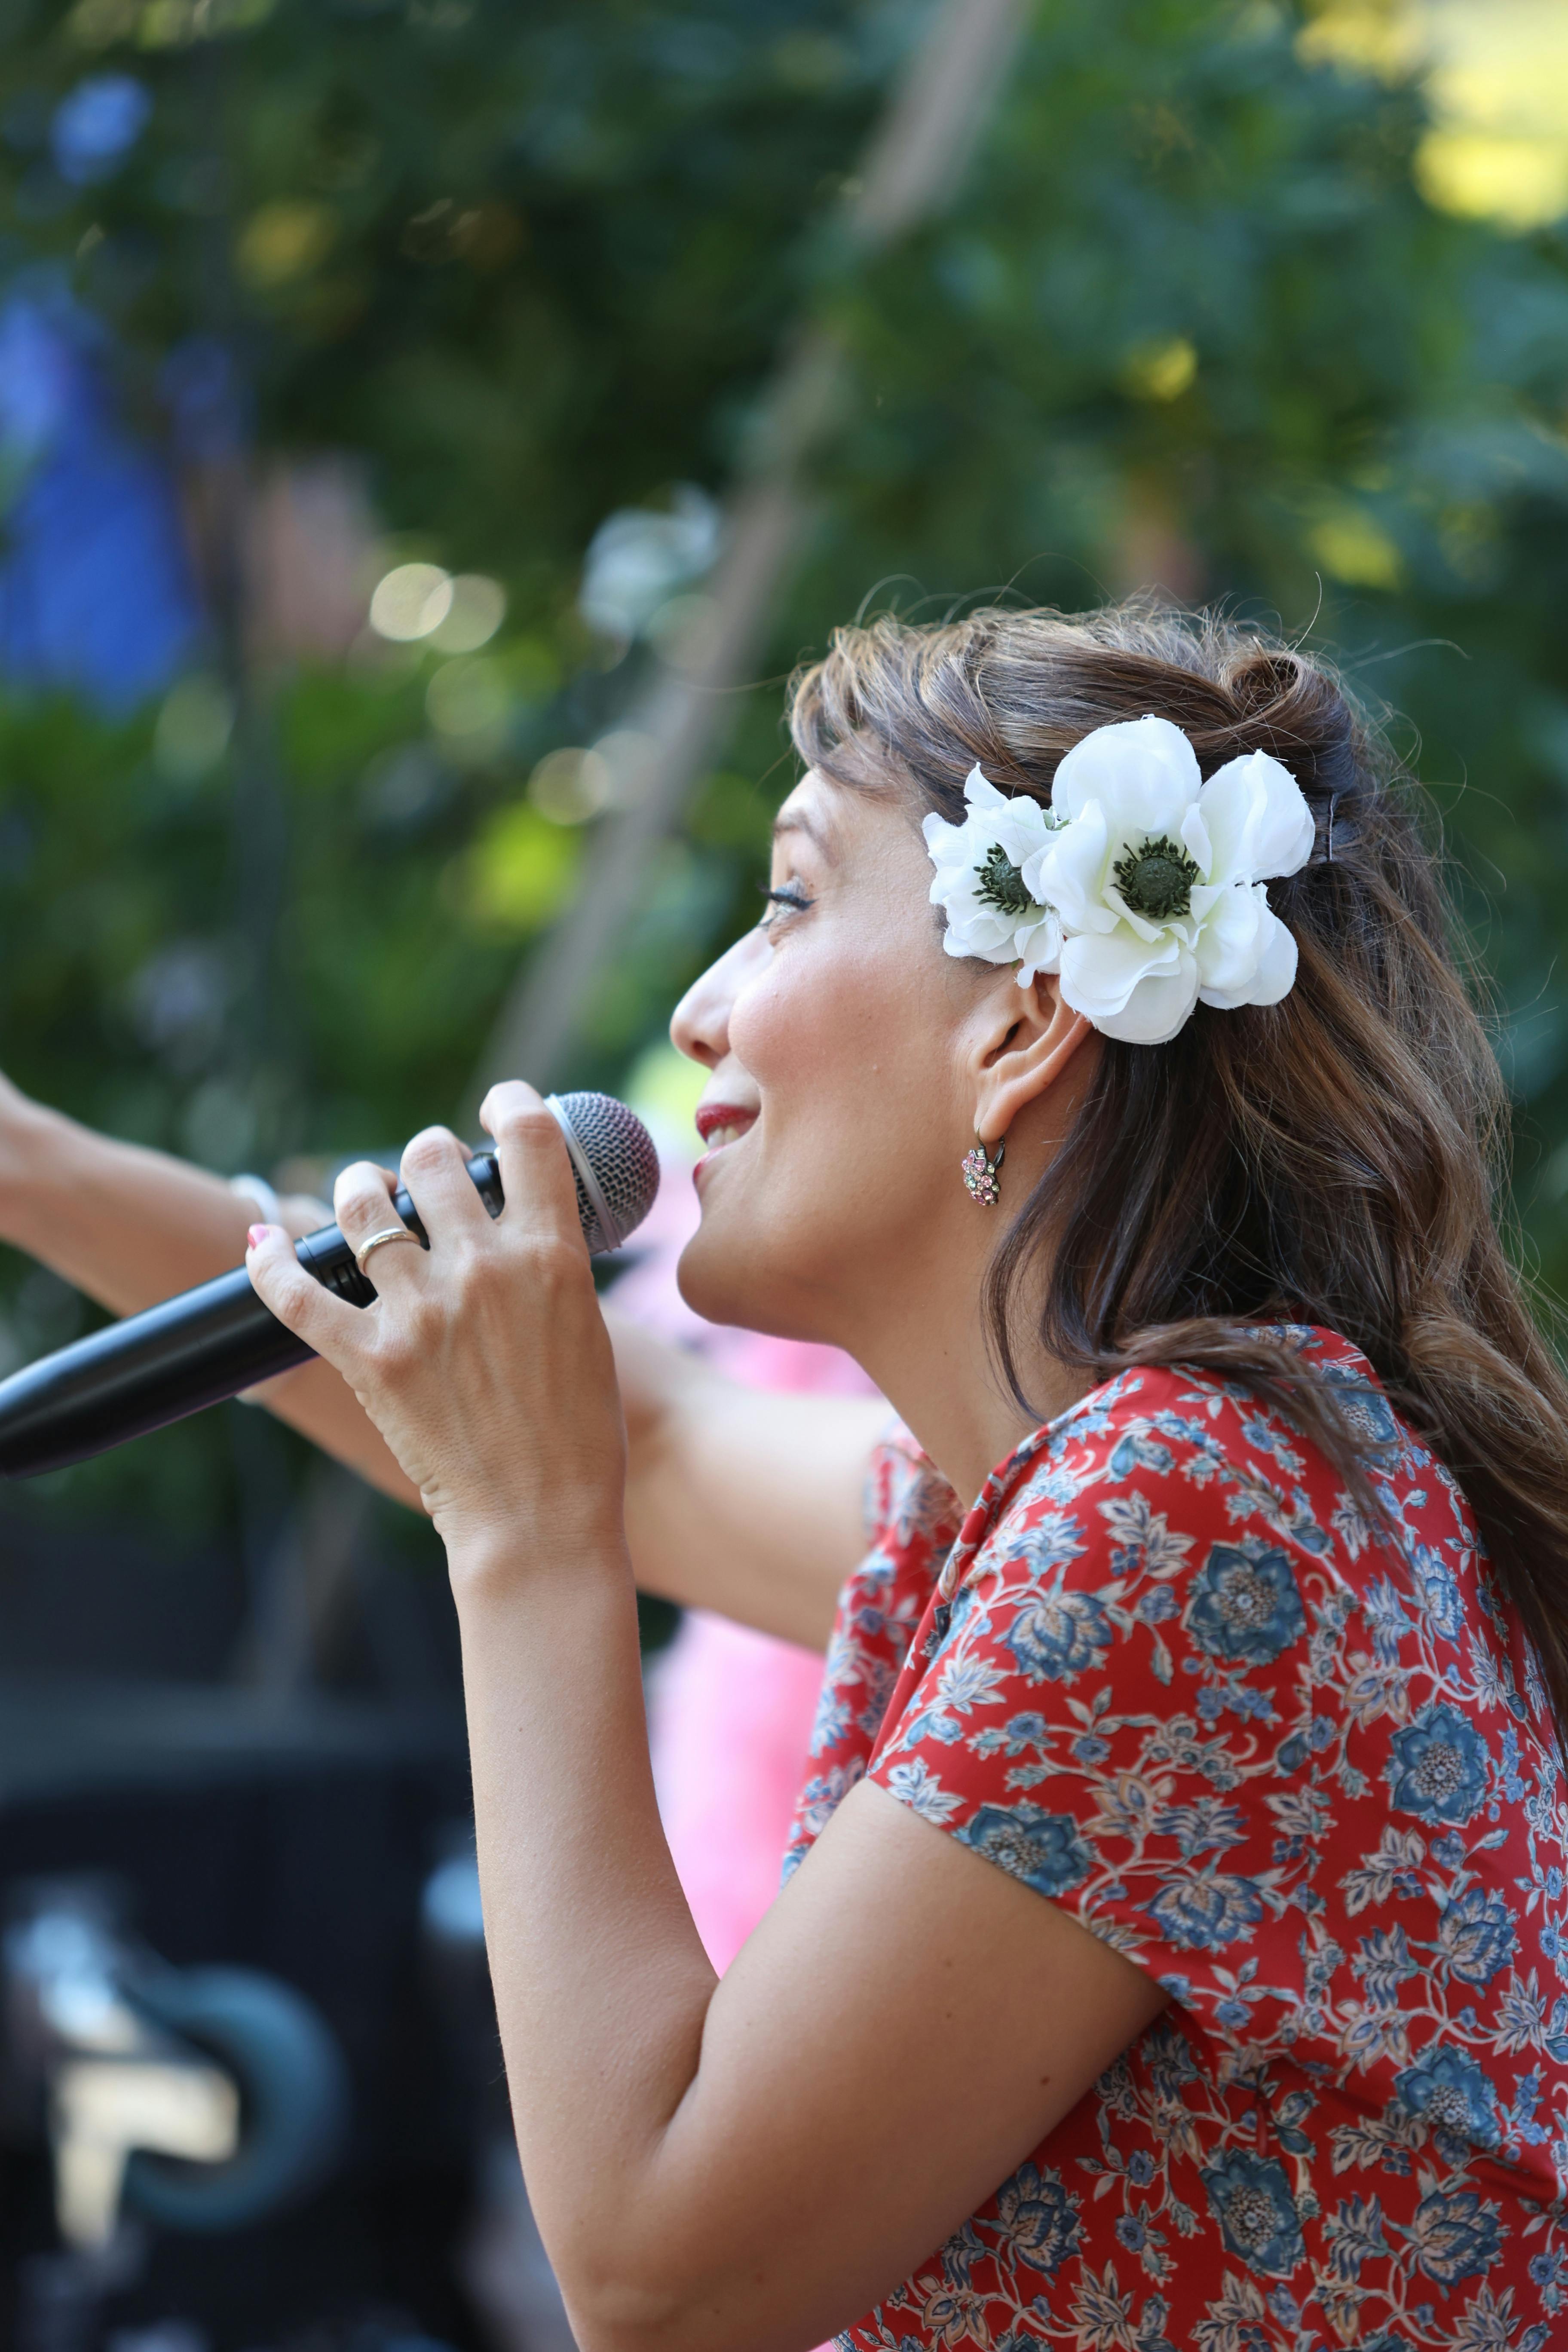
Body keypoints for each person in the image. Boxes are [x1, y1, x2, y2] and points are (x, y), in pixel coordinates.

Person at [4, 597, 1568, 2352]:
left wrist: (523, 1539)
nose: (696, 1016)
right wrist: (30, 1165)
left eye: (790, 900)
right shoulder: (1126, 1486)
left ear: (1027, 1023)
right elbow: (652, 1444)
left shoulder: (1193, 1514)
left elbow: (664, 2280)